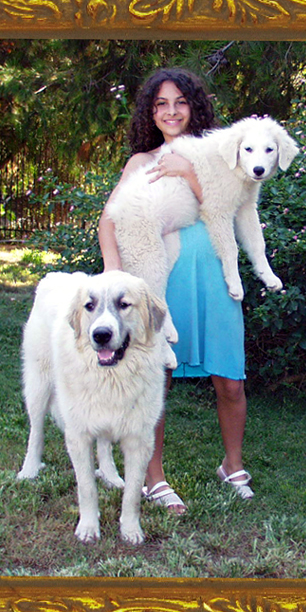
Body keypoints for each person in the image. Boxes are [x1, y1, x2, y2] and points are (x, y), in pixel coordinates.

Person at [98, 68, 253, 514]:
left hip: (216, 282)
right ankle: (153, 476)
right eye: (161, 103)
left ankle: (233, 465)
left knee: (230, 378)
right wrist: (113, 271)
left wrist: (188, 171)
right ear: (151, 112)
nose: (171, 111)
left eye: (180, 102)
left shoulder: (218, 158)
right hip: (160, 285)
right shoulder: (140, 163)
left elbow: (231, 209)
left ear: (195, 106)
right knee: (156, 380)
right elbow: (110, 221)